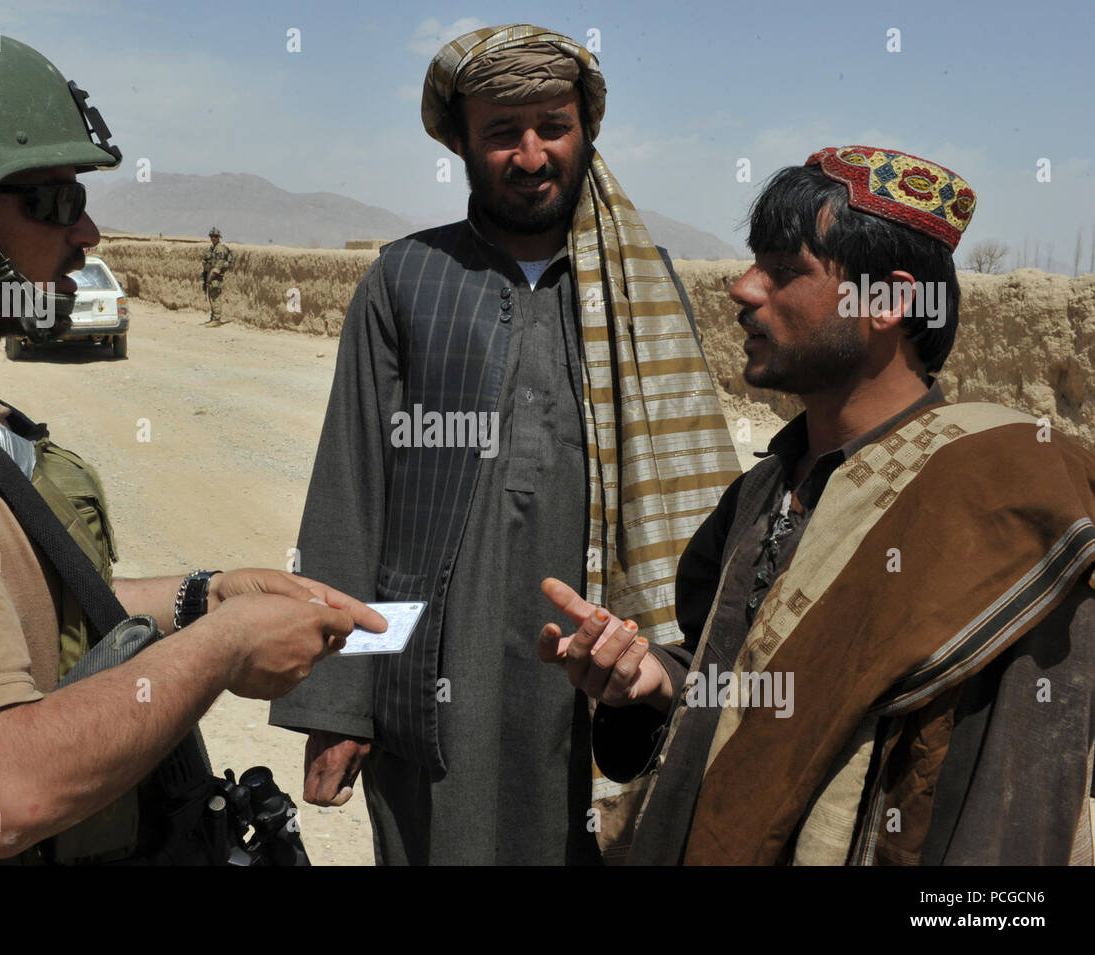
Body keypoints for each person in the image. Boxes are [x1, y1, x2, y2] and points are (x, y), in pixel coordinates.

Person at [0, 27, 383, 866]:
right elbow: (4, 788)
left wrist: (199, 598)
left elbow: (3, 602)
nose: (91, 233)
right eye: (57, 202)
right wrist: (220, 649)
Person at [540, 146, 1095, 865]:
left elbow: (1015, 805)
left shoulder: (1001, 498)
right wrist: (651, 678)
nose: (742, 289)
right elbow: (738, 690)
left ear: (888, 301)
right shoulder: (766, 489)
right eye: (752, 263)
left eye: (784, 269)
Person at [269, 23, 740, 865]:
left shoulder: (645, 284)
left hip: (597, 685)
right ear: (459, 141)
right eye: (501, 133)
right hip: (435, 683)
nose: (531, 155)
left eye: (552, 127)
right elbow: (352, 494)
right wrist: (340, 706)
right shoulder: (404, 281)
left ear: (585, 131)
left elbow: (686, 496)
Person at [201, 226, 234, 327]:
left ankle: (217, 319)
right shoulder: (212, 249)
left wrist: (211, 276)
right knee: (211, 297)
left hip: (215, 276)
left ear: (218, 237)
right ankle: (213, 318)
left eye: (214, 236)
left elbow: (218, 265)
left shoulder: (220, 249)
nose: (212, 238)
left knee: (215, 297)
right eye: (211, 236)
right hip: (210, 275)